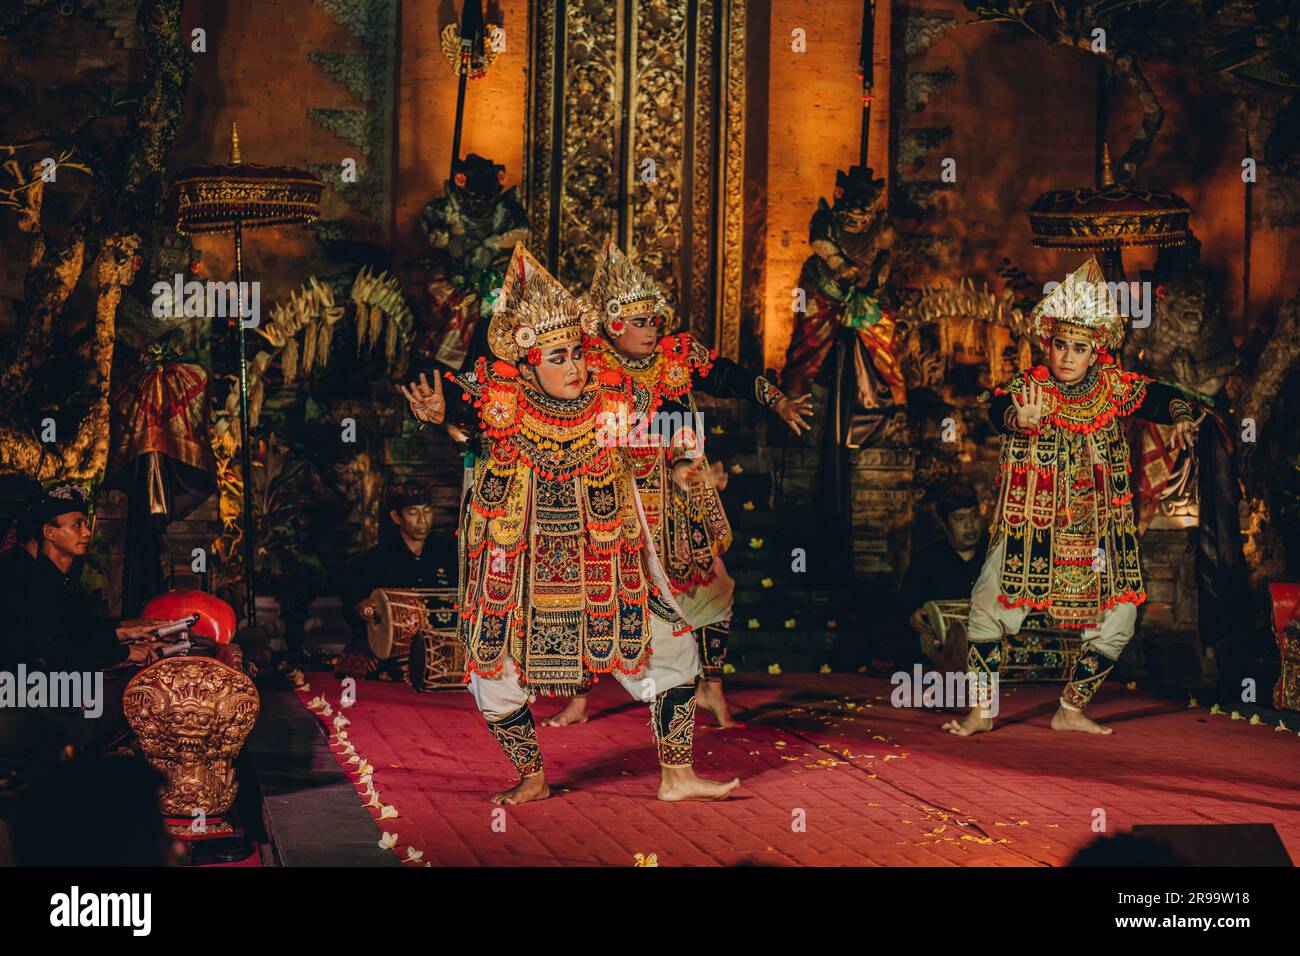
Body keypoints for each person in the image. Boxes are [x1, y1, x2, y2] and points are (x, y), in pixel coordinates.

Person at [401, 242, 740, 805]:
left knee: (676, 654)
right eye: (557, 357)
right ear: (528, 362)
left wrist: (683, 465)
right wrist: (442, 417)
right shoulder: (500, 403)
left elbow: (669, 420)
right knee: (495, 676)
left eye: (578, 353)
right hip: (524, 574)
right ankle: (533, 776)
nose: (576, 366)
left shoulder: (613, 399)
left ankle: (676, 776)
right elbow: (461, 405)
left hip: (606, 564)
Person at [536, 237, 813, 729]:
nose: (651, 330)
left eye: (653, 320)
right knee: (589, 590)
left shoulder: (676, 356)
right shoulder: (590, 368)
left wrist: (776, 401)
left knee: (713, 588)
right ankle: (578, 697)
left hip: (678, 501)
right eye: (638, 322)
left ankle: (710, 686)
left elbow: (726, 374)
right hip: (612, 501)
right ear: (611, 326)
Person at [942, 258, 1198, 737]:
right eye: (1060, 344)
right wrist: (1020, 421)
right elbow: (1000, 409)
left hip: (1095, 532)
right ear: (1049, 343)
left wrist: (1181, 415)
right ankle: (981, 710)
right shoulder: (1028, 387)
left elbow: (1162, 395)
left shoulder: (1113, 387)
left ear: (1094, 350)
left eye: (1078, 348)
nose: (1066, 357)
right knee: (987, 605)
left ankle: (1070, 708)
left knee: (1120, 616)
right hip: (1032, 525)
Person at [11, 484, 161, 753]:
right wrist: (123, 652)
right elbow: (59, 654)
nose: (86, 532)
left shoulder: (59, 580)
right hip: (42, 697)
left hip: (60, 689)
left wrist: (123, 633)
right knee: (148, 699)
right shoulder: (39, 585)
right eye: (77, 525)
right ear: (49, 532)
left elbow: (81, 634)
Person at [337, 482, 456, 678]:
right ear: (396, 517)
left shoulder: (449, 553)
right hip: (396, 649)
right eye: (413, 513)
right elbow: (352, 605)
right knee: (364, 658)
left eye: (427, 511)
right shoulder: (375, 559)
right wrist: (363, 608)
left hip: (443, 645)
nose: (422, 520)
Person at [898, 483, 988, 668]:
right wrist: (912, 617)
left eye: (974, 516)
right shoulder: (927, 561)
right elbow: (903, 604)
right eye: (959, 519)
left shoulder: (996, 556)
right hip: (941, 662)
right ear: (945, 524)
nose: (970, 526)